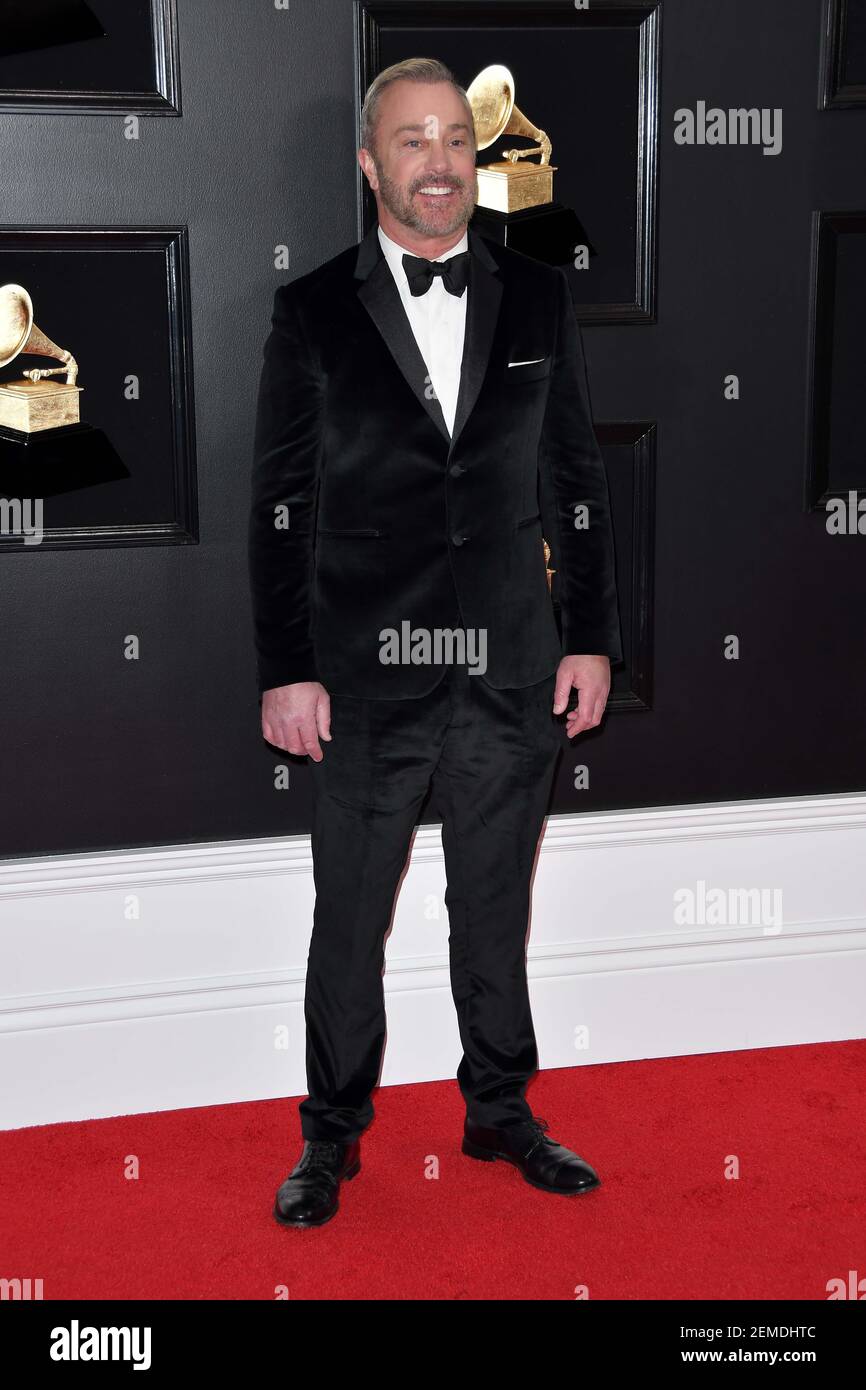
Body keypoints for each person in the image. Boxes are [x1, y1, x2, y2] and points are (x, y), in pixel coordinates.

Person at [248, 57, 622, 1228]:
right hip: (365, 675)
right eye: (410, 140)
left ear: (477, 155)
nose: (438, 161)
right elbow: (280, 498)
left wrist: (591, 635)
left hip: (511, 663)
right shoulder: (310, 308)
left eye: (455, 138)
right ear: (369, 165)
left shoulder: (535, 293)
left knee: (493, 906)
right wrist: (284, 664)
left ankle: (500, 1112)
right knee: (348, 917)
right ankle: (330, 1137)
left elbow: (574, 479)